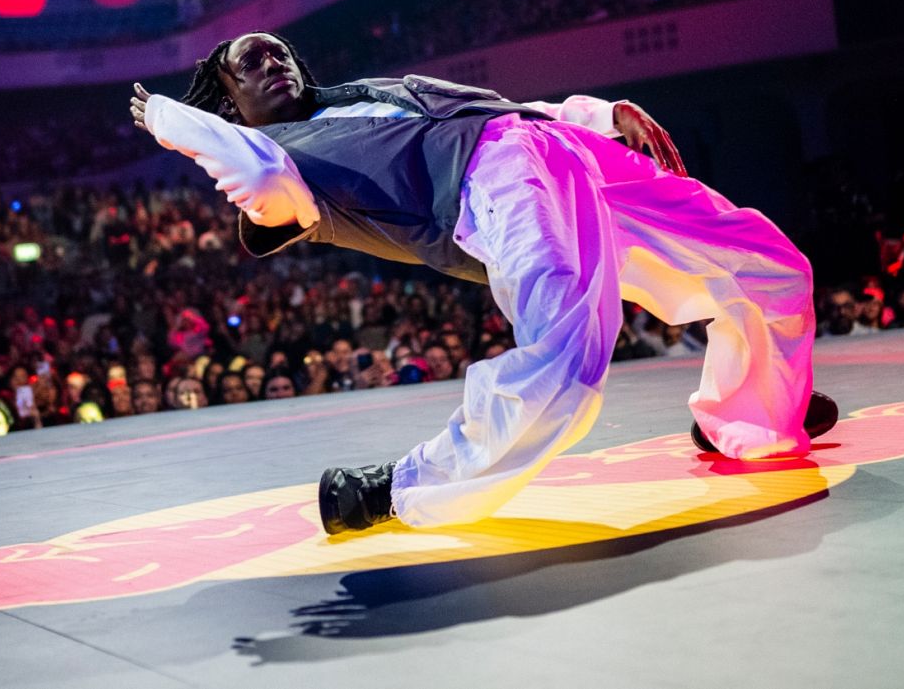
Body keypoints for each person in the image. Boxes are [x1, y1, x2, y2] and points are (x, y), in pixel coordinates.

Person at [129, 31, 832, 535]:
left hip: (563, 148)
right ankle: (403, 485)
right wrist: (168, 118)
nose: (273, 63)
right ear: (227, 106)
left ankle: (750, 414)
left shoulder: (375, 90)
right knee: (566, 358)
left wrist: (596, 115)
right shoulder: (285, 169)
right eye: (250, 64)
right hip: (495, 184)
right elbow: (253, 175)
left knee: (769, 264)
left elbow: (495, 106)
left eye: (278, 52)